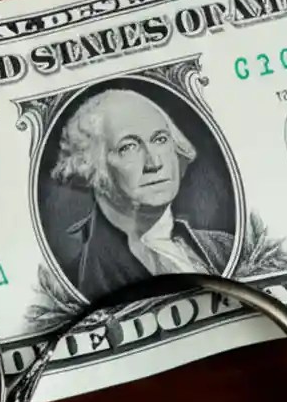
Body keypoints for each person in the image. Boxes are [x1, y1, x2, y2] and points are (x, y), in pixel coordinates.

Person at [50, 88, 233, 298]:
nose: (154, 163)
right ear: (90, 165)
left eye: (160, 139)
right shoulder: (76, 282)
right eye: (128, 147)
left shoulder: (222, 247)